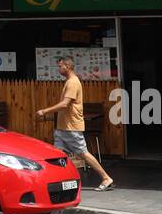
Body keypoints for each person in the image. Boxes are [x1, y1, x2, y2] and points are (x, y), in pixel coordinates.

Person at [36, 56, 114, 190]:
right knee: (57, 155)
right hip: (63, 127)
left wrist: (44, 111)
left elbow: (65, 104)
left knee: (83, 153)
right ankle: (57, 181)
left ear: (68, 67)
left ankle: (106, 178)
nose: (59, 68)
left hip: (71, 127)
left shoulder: (72, 82)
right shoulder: (69, 81)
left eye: (60, 66)